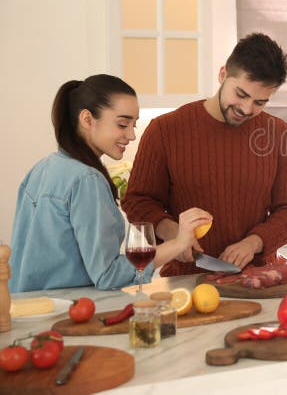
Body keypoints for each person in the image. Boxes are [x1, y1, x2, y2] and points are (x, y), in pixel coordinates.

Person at [123, 33, 287, 276]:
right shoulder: (165, 130)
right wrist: (176, 235)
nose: (246, 109)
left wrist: (253, 243)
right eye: (240, 94)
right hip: (186, 280)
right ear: (223, 74)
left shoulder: (278, 133)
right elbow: (138, 202)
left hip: (258, 280)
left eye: (260, 102)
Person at [10, 75, 211, 292]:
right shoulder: (87, 180)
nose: (132, 135)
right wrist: (178, 243)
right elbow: (109, 275)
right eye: (122, 124)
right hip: (66, 312)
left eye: (133, 125)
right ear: (87, 119)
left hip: (24, 309)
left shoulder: (44, 167)